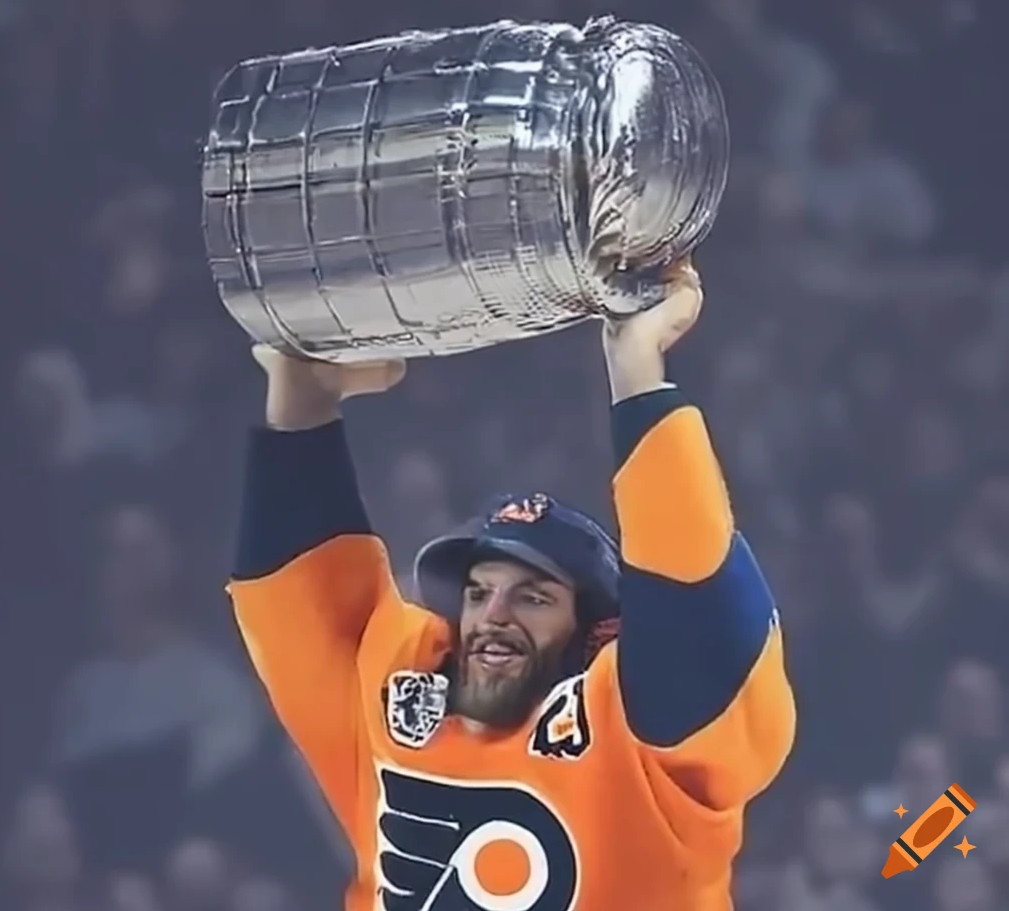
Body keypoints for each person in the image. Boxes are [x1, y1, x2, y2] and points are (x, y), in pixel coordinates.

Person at [227, 261, 797, 911]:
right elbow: (298, 606)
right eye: (477, 591)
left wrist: (637, 371)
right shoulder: (405, 692)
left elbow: (699, 623)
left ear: (599, 631)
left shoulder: (642, 744)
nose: (492, 614)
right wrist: (303, 400)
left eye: (533, 597)